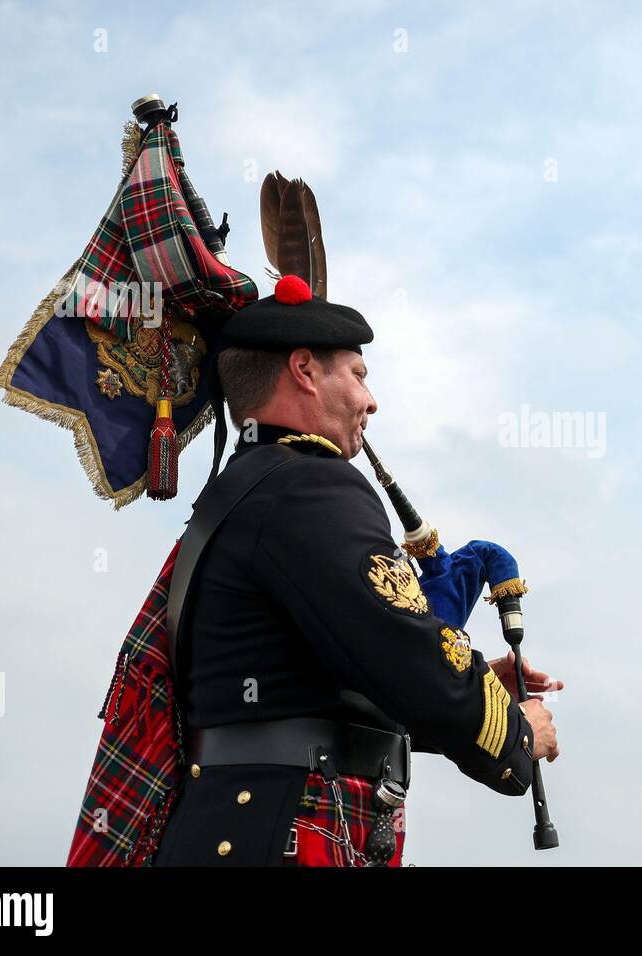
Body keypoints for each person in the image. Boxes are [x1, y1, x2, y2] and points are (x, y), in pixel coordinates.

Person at [152, 275, 561, 866]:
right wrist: (516, 732)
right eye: (360, 374)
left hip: (243, 826)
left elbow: (316, 687)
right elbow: (403, 649)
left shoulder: (250, 489)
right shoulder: (307, 485)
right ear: (305, 370)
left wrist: (479, 685)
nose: (371, 401)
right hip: (282, 833)